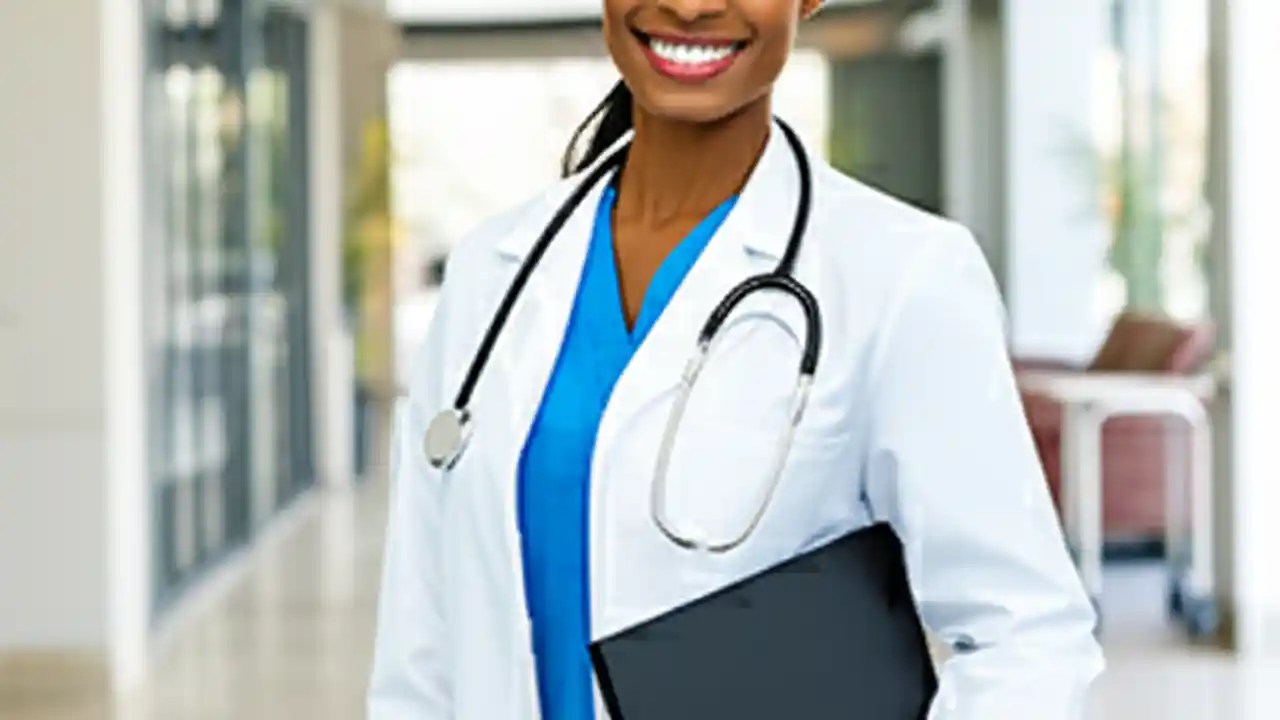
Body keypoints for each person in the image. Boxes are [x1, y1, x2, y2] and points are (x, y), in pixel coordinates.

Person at [368, 1, 1104, 718]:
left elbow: (1027, 634)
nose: (690, 7)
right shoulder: (491, 274)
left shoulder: (903, 275)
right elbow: (420, 645)